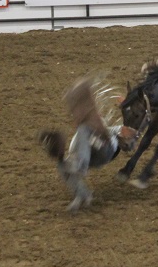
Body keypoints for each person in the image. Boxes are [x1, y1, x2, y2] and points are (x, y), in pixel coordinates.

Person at [39, 75, 139, 214]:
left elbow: (119, 131)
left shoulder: (94, 125)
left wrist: (128, 132)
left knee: (83, 131)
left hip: (106, 149)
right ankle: (83, 195)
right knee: (63, 166)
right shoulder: (81, 133)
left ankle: (81, 167)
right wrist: (65, 159)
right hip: (93, 156)